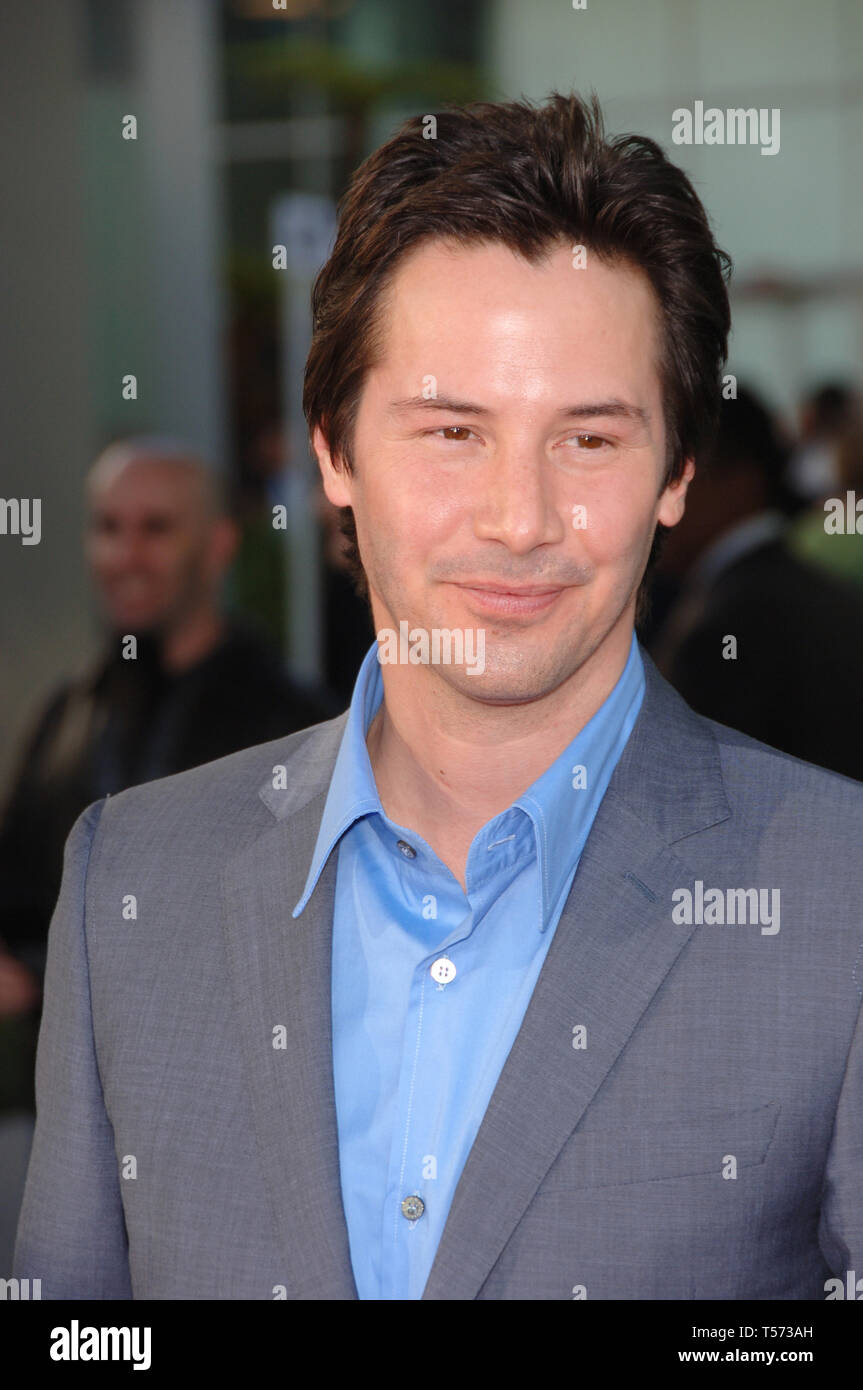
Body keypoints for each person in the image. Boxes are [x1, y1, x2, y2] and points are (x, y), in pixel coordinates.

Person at [14, 93, 863, 1301]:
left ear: (676, 471)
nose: (517, 520)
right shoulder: (129, 887)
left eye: (588, 440)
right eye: (451, 430)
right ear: (333, 454)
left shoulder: (839, 902)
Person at [0, 438, 335, 1108]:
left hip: (227, 1112)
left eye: (156, 529)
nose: (127, 556)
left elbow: (305, 944)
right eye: (108, 529)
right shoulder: (67, 717)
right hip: (62, 1112)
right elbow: (18, 903)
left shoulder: (295, 729)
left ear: (217, 546)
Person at [649, 387, 863, 779]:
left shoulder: (728, 623)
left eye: (675, 477)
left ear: (739, 479)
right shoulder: (809, 591)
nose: (656, 502)